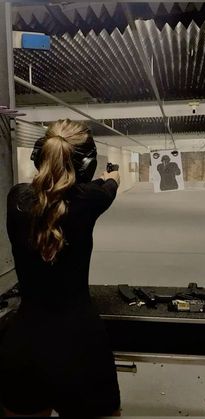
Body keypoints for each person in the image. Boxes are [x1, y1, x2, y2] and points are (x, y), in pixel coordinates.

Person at [0, 119, 121, 417]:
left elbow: (51, 195)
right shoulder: (90, 200)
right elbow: (107, 188)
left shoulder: (16, 198)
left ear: (39, 156)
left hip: (23, 347)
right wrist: (112, 177)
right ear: (88, 164)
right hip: (81, 346)